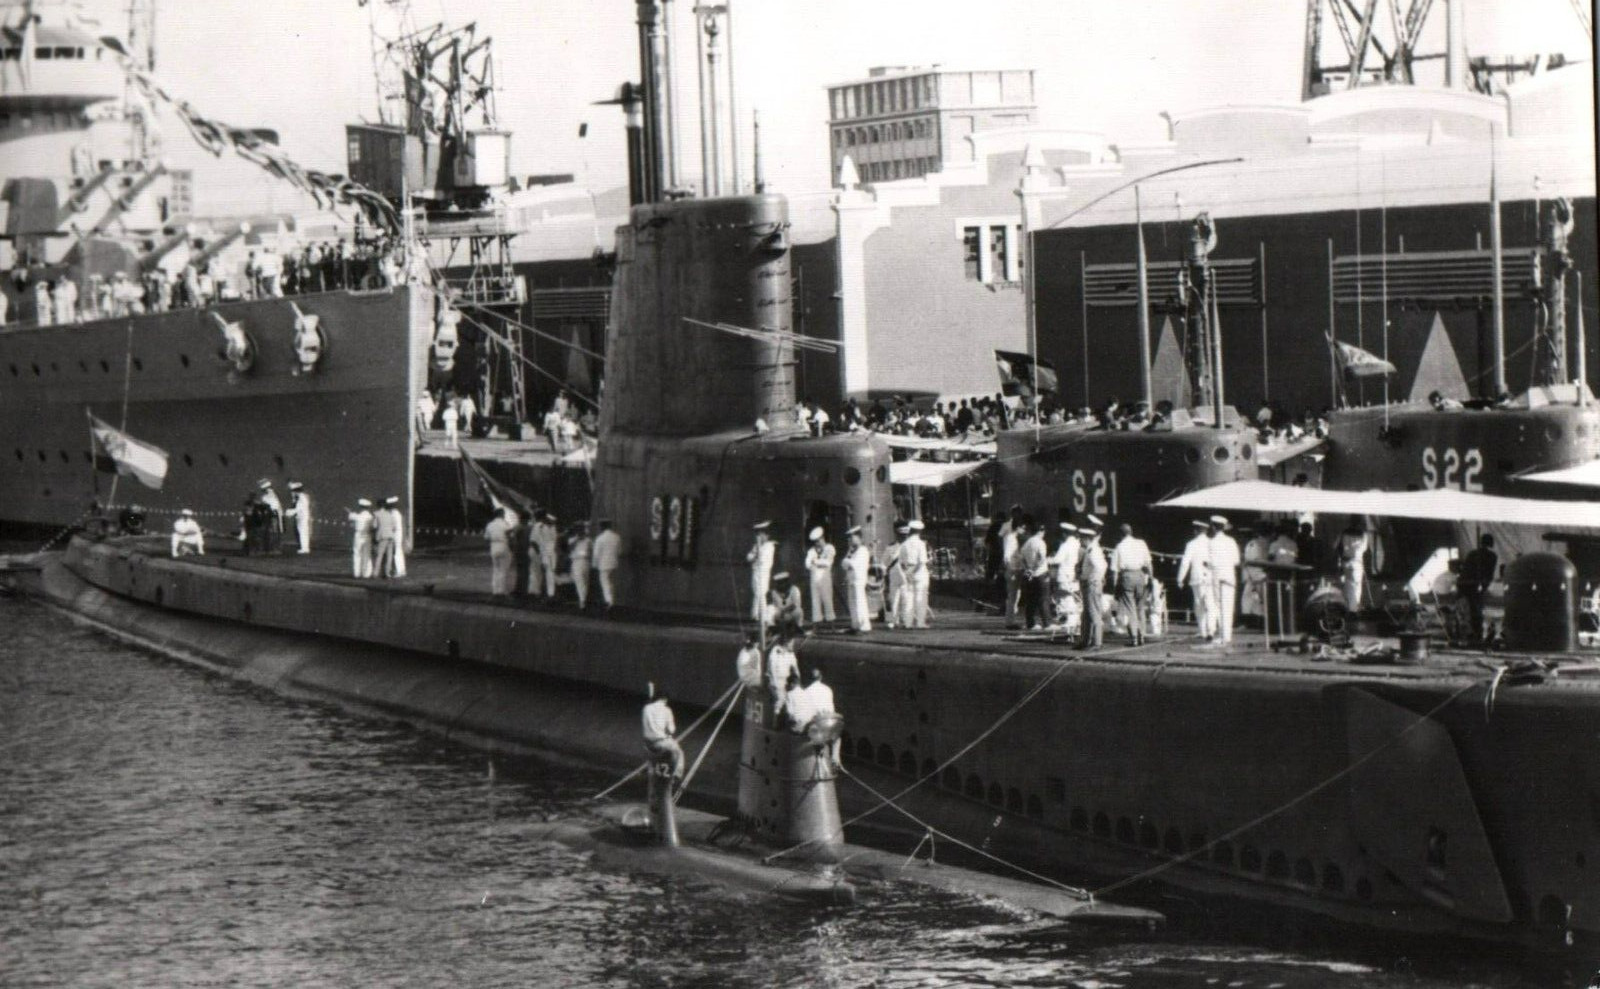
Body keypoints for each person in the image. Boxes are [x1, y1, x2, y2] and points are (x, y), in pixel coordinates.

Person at [1109, 522, 1153, 645]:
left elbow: (1114, 570)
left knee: (1130, 608)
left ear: (1120, 535)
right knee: (1140, 608)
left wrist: (1114, 586)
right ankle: (1142, 635)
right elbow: (1149, 563)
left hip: (1126, 576)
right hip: (1140, 575)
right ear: (1131, 532)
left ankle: (1134, 636)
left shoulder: (1119, 547)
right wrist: (1150, 578)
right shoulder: (1141, 543)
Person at [1177, 519, 1215, 642]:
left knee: (1199, 604)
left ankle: (1203, 631)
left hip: (1197, 577)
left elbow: (1185, 563)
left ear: (1197, 530)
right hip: (1210, 577)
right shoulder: (1212, 543)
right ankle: (1211, 630)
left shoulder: (1191, 544)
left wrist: (1180, 578)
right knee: (1210, 604)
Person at [1207, 515, 1241, 646]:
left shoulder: (1212, 542)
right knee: (1229, 605)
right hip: (1230, 576)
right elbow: (1236, 560)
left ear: (1214, 527)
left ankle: (1222, 636)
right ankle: (1227, 635)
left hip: (1218, 576)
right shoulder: (1231, 541)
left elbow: (1211, 563)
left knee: (1219, 606)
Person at [1459, 533, 1498, 642]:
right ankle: (1476, 634)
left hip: (1466, 584)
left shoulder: (1472, 554)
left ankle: (1474, 633)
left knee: (1472, 610)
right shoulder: (1491, 556)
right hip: (1474, 585)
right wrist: (1483, 586)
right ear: (1491, 543)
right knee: (1476, 609)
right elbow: (1489, 574)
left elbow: (1465, 571)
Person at [641, 688, 685, 783]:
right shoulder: (667, 710)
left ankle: (650, 768)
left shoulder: (646, 708)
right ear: (665, 699)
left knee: (660, 752)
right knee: (679, 752)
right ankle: (677, 774)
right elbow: (671, 730)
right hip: (660, 742)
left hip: (647, 743)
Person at [1076, 522, 1107, 650]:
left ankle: (1097, 643)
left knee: (1094, 613)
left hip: (1092, 584)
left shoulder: (1093, 551)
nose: (1079, 540)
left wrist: (1095, 579)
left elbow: (1101, 566)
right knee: (1088, 613)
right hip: (1089, 583)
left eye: (1081, 538)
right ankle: (1086, 640)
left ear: (1087, 538)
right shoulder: (1091, 549)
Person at [1019, 517, 1052, 631]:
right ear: (1041, 531)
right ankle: (1047, 623)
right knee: (1043, 598)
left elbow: (1021, 559)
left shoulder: (1027, 543)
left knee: (1031, 599)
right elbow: (1042, 559)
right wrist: (1034, 568)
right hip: (1041, 573)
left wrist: (1028, 569)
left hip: (1029, 574)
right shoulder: (1040, 542)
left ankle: (1030, 623)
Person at [1051, 522, 1081, 635]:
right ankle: (1076, 624)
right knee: (1075, 599)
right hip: (1074, 575)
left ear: (1064, 534)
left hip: (1064, 575)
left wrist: (1050, 558)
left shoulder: (1065, 545)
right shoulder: (1077, 543)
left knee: (1065, 600)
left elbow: (1057, 560)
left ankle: (1070, 625)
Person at [841, 526, 873, 633]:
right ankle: (855, 625)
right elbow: (843, 564)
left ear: (859, 537)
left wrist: (848, 563)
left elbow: (853, 564)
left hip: (858, 580)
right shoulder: (852, 551)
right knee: (852, 603)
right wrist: (848, 563)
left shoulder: (863, 551)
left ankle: (863, 625)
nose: (850, 540)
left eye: (852, 537)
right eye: (849, 538)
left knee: (860, 603)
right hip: (851, 580)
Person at [901, 519, 931, 629]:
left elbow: (901, 562)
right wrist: (914, 572)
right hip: (920, 572)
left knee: (909, 598)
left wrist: (908, 573)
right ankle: (920, 623)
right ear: (919, 531)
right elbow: (921, 561)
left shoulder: (904, 544)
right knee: (921, 598)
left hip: (908, 572)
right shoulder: (920, 544)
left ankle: (907, 622)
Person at [804, 526, 837, 625]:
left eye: (818, 541)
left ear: (822, 538)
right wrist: (817, 563)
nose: (817, 544)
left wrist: (815, 562)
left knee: (827, 601)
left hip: (825, 579)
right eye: (815, 542)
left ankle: (832, 625)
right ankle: (816, 625)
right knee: (815, 602)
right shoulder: (811, 551)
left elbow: (828, 562)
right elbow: (807, 564)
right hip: (814, 579)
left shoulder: (830, 548)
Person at [1336, 517, 1370, 612]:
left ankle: (1348, 607)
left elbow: (1337, 547)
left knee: (1348, 585)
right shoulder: (1363, 534)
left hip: (1346, 560)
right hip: (1357, 561)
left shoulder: (1344, 532)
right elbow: (1364, 549)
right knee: (1356, 585)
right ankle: (1353, 609)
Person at [999, 506, 1025, 628]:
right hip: (1011, 566)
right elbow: (1002, 545)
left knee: (1017, 593)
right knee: (1012, 594)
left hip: (1020, 566)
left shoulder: (1020, 531)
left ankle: (1012, 618)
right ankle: (1009, 621)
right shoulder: (1007, 530)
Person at [746, 521, 776, 621]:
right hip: (756, 572)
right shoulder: (757, 546)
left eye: (761, 535)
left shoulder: (769, 546)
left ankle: (762, 616)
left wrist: (755, 557)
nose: (759, 537)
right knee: (756, 593)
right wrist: (755, 556)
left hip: (763, 573)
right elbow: (749, 557)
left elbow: (761, 559)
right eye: (758, 534)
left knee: (761, 593)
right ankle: (755, 615)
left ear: (766, 536)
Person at [1240, 527, 1271, 623]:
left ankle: (1254, 621)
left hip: (1253, 575)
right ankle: (1255, 621)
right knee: (1258, 598)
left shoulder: (1252, 544)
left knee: (1252, 599)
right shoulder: (1259, 544)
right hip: (1259, 574)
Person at [883, 522, 908, 629]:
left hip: (907, 575)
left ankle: (905, 620)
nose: (903, 536)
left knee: (906, 599)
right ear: (897, 534)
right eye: (901, 534)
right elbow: (883, 562)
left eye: (905, 534)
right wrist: (884, 576)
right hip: (894, 576)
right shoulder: (890, 547)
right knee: (894, 599)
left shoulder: (909, 546)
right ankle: (893, 620)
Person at [483, 506, 513, 595]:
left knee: (496, 569)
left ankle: (495, 590)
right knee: (503, 569)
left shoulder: (490, 524)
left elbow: (486, 538)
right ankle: (501, 591)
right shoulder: (505, 524)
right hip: (503, 545)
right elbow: (509, 536)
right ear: (501, 514)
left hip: (493, 546)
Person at [592, 518, 621, 609]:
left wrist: (594, 565)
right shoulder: (617, 537)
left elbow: (596, 554)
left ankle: (609, 601)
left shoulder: (600, 538)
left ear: (602, 527)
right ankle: (612, 600)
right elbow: (619, 551)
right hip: (614, 563)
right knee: (611, 582)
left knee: (605, 583)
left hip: (603, 564)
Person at [530, 511, 560, 599]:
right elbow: (534, 541)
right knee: (549, 573)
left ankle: (547, 592)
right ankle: (550, 593)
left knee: (547, 573)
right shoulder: (542, 527)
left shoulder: (542, 527)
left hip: (546, 552)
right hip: (548, 552)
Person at [767, 634, 799, 706]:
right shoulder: (775, 652)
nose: (793, 645)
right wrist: (777, 687)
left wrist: (798, 683)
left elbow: (796, 669)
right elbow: (773, 671)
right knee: (780, 700)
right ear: (786, 643)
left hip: (786, 682)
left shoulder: (790, 654)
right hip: (775, 682)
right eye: (792, 643)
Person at [348, 498, 376, 578]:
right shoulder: (370, 517)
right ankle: (366, 573)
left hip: (358, 535)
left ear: (360, 507)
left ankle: (357, 573)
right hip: (367, 535)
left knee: (357, 554)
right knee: (367, 554)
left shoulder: (357, 516)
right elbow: (373, 527)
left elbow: (350, 516)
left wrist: (350, 512)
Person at [256, 479, 284, 554]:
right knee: (271, 532)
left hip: (272, 516)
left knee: (272, 532)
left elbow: (271, 506)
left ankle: (274, 549)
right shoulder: (271, 495)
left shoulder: (269, 496)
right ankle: (271, 548)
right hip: (271, 516)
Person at [569, 522, 593, 607]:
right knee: (579, 581)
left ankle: (583, 599)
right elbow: (570, 548)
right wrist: (577, 539)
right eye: (578, 529)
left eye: (581, 529)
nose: (580, 531)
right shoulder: (572, 540)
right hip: (576, 561)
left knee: (585, 581)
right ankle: (582, 600)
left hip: (585, 561)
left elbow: (590, 551)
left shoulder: (588, 540)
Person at [285, 480, 312, 554]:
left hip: (302, 517)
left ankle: (305, 548)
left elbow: (298, 509)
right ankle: (304, 548)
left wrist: (289, 513)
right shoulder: (301, 497)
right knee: (302, 532)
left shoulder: (301, 498)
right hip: (301, 517)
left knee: (303, 532)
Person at [385, 497, 407, 577]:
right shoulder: (397, 513)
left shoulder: (393, 514)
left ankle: (399, 571)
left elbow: (393, 526)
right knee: (399, 552)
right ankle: (401, 570)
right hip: (398, 533)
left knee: (396, 553)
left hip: (395, 534)